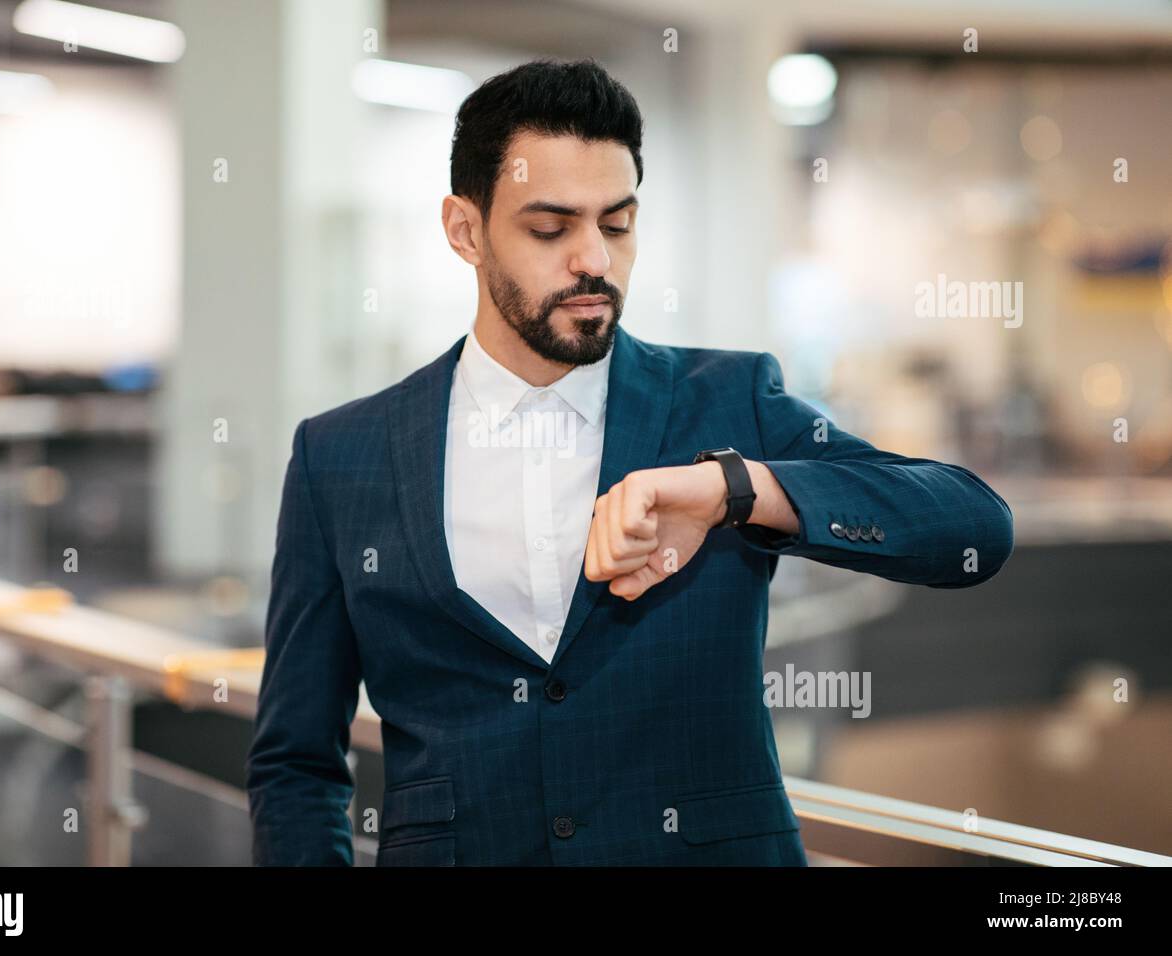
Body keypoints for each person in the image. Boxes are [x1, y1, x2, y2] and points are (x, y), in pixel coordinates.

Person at [246, 57, 1013, 866]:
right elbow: (296, 762)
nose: (595, 261)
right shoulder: (340, 456)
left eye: (616, 224)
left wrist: (733, 489)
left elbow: (972, 527)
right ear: (465, 230)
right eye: (551, 228)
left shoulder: (729, 403)